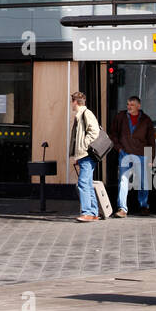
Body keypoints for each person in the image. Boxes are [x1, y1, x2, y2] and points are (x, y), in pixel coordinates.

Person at [110, 95, 156, 217]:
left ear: (138, 106)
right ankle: (122, 209)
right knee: (123, 181)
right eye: (128, 104)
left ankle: (144, 206)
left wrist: (151, 158)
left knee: (143, 182)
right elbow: (113, 134)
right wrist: (119, 148)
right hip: (125, 153)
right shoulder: (121, 116)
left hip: (141, 155)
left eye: (132, 105)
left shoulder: (146, 120)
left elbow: (151, 140)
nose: (129, 107)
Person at [69, 91, 103, 222]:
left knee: (83, 183)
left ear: (75, 102)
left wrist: (84, 146)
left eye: (72, 102)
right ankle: (94, 212)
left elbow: (94, 132)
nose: (71, 104)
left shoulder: (86, 114)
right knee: (87, 184)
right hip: (84, 155)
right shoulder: (81, 115)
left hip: (87, 154)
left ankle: (87, 212)